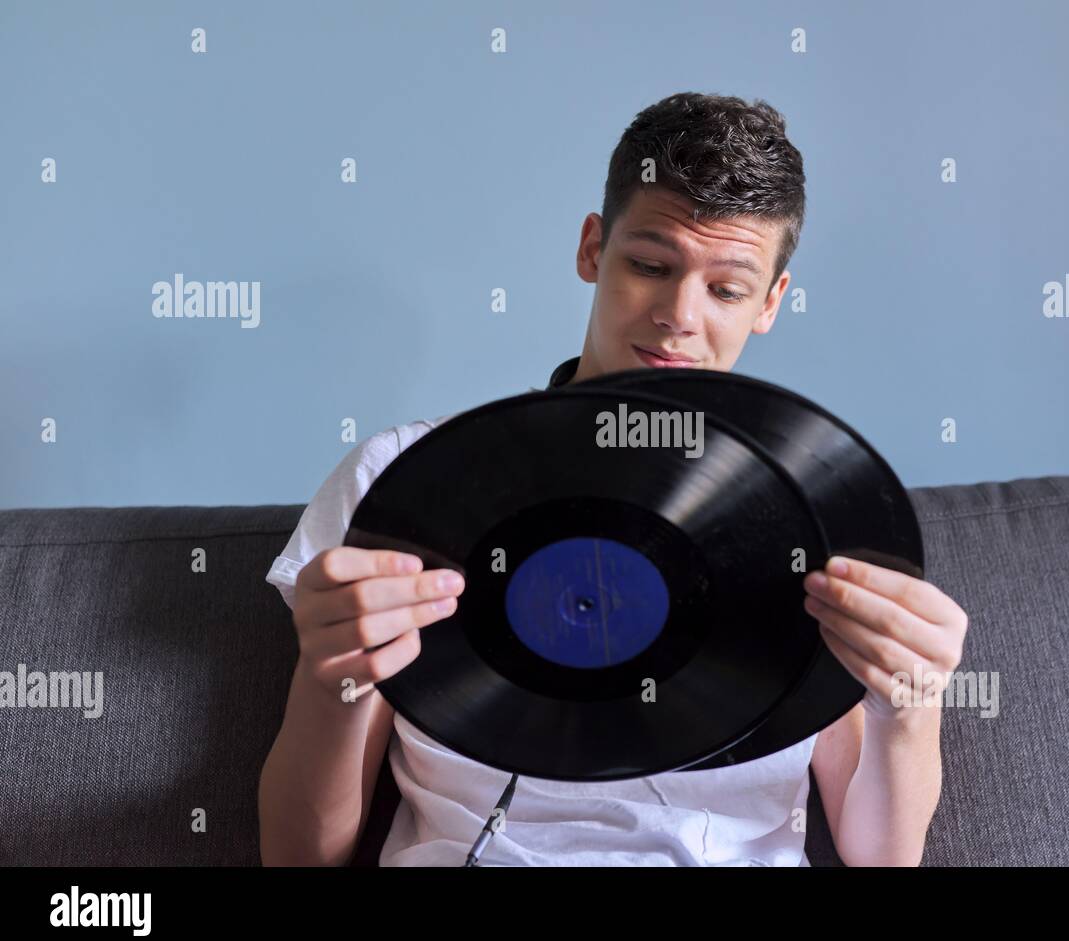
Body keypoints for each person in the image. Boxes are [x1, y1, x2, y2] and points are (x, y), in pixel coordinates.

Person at [257, 92, 969, 867]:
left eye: (727, 289)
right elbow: (299, 858)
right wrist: (330, 684)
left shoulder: (818, 510)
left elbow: (881, 859)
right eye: (651, 266)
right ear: (593, 249)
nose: (678, 315)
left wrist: (910, 704)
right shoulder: (400, 476)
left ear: (771, 302)